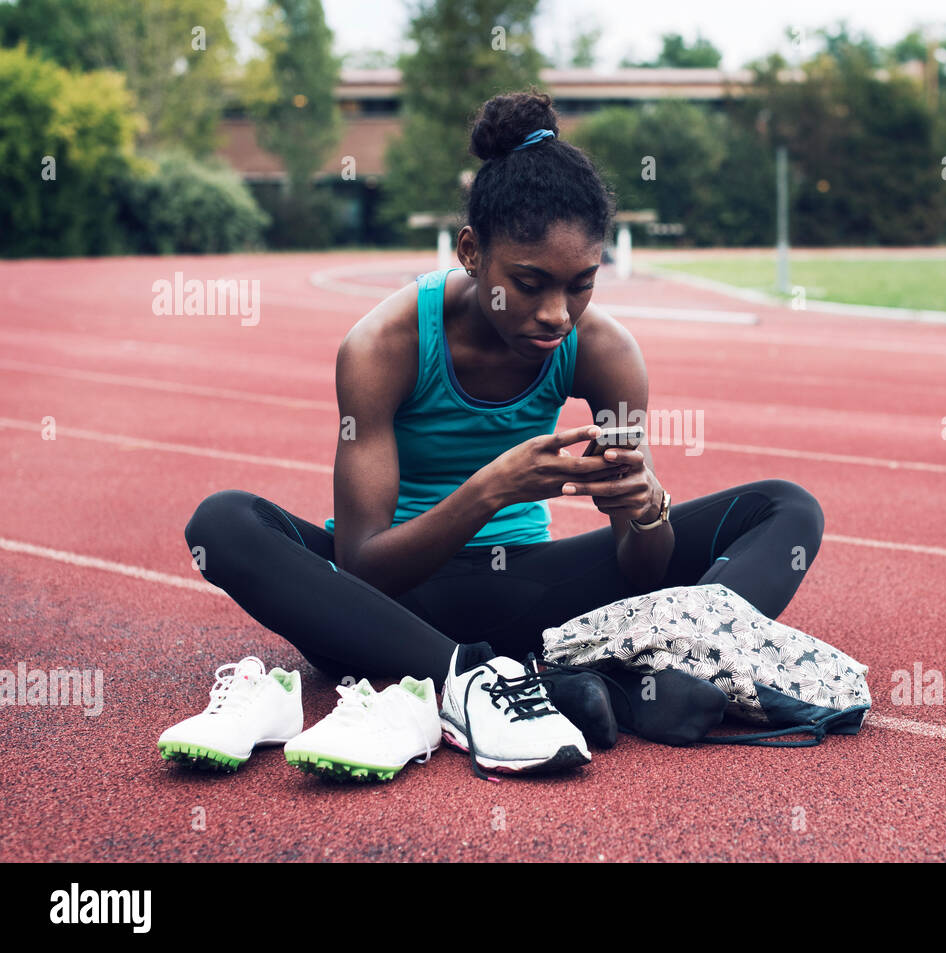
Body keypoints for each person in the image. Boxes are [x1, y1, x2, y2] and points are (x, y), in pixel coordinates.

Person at [182, 90, 824, 772]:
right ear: (471, 253)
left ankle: (633, 662)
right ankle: (497, 679)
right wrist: (490, 489)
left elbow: (643, 570)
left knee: (786, 508)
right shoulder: (383, 345)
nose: (557, 314)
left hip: (531, 593)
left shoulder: (607, 353)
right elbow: (365, 564)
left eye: (581, 284)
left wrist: (646, 509)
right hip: (390, 609)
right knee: (221, 525)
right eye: (528, 283)